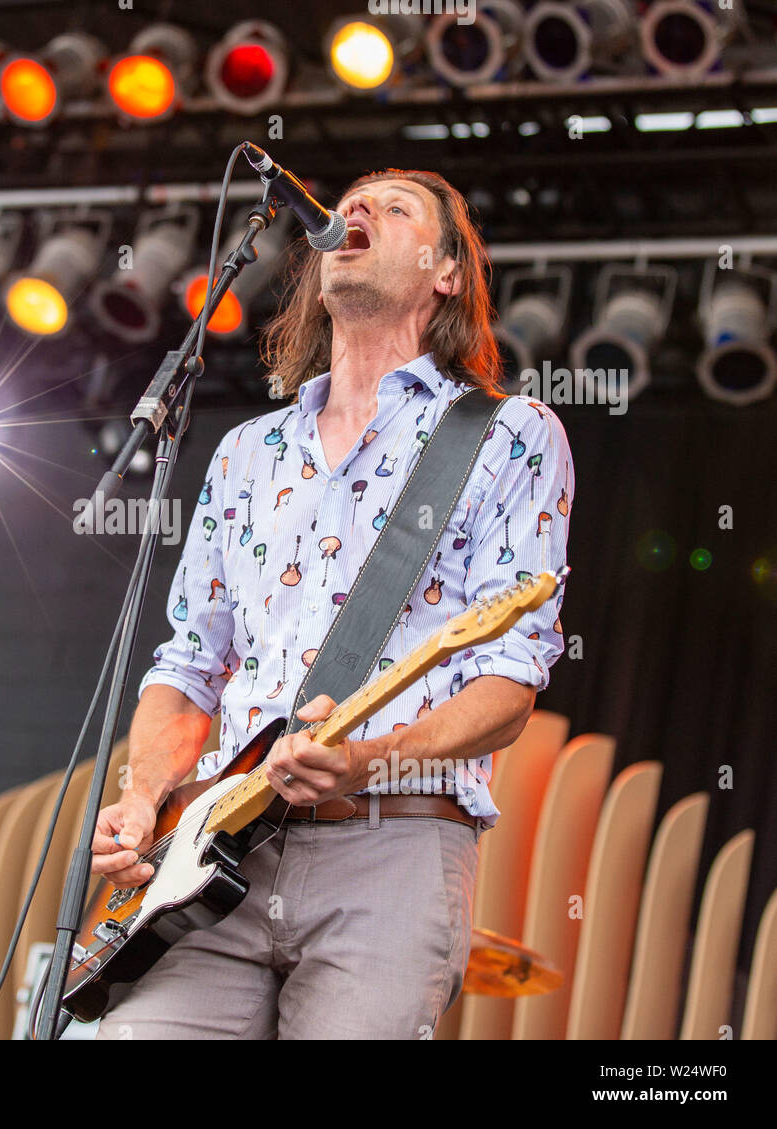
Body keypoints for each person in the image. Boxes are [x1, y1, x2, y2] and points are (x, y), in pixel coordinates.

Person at [89, 168, 574, 1039]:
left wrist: (367, 758)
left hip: (394, 846)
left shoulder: (511, 433)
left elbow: (509, 683)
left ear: (447, 273)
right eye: (352, 203)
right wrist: (142, 792)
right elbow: (190, 664)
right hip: (207, 855)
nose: (357, 213)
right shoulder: (246, 452)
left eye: (395, 209)